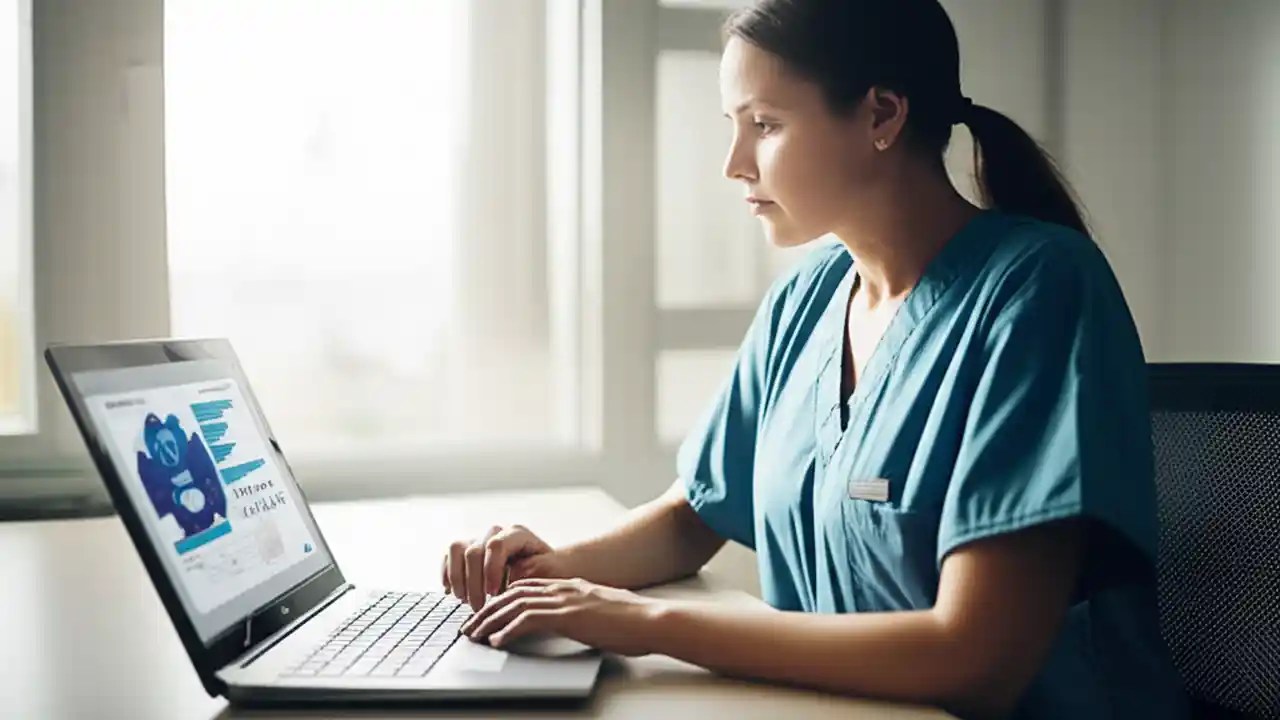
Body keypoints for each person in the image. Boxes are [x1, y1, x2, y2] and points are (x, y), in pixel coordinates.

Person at [444, 1, 1189, 717]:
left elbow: (975, 661)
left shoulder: (1039, 291)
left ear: (882, 115)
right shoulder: (808, 296)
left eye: (765, 125)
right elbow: (694, 514)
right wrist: (550, 572)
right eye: (733, 127)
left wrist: (646, 624)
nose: (735, 164)